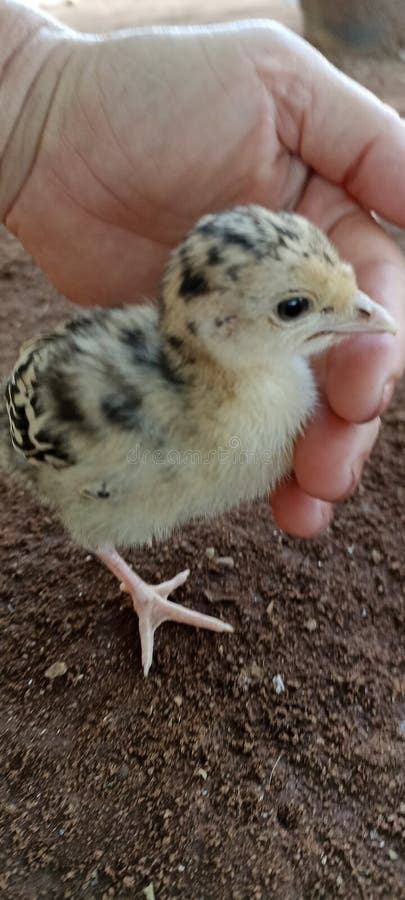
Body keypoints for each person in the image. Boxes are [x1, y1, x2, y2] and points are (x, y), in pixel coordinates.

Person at [1, 1, 404, 537]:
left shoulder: (257, 390)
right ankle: (126, 574)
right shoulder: (142, 433)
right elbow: (40, 421)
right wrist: (26, 88)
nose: (365, 309)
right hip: (47, 421)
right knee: (102, 512)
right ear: (221, 329)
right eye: (292, 308)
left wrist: (30, 83)